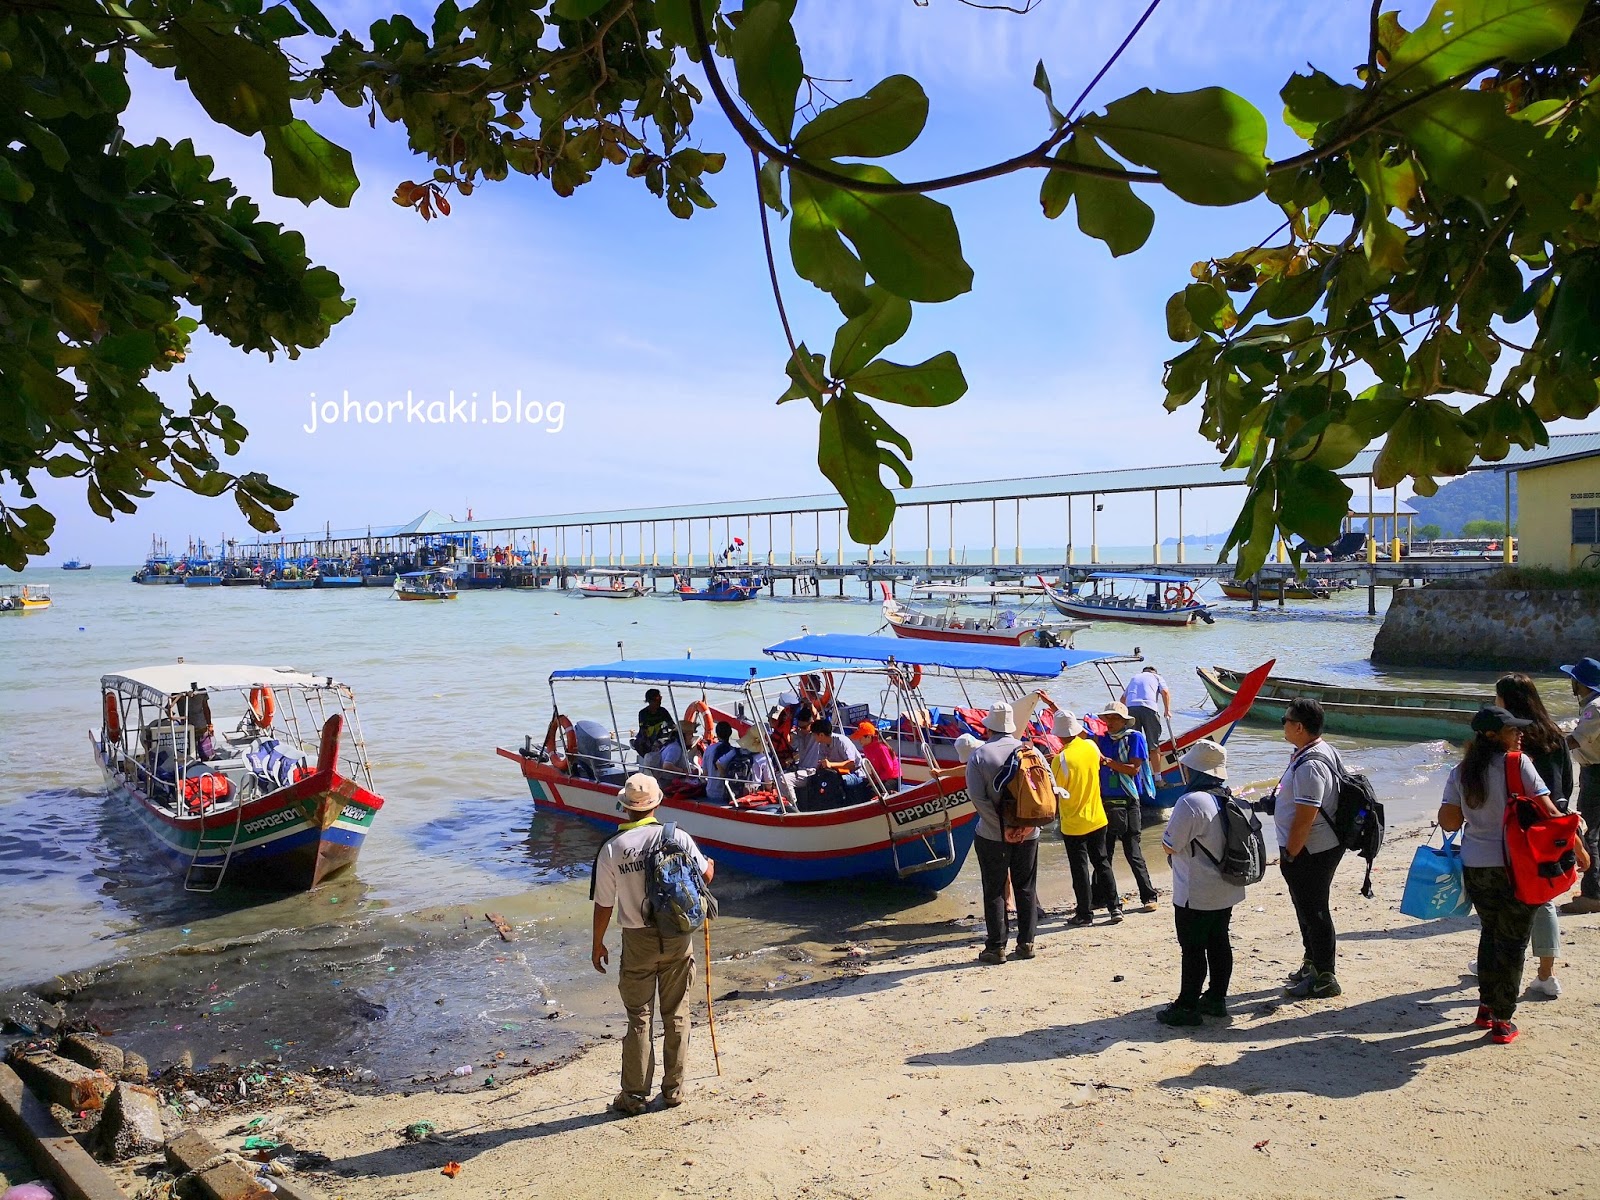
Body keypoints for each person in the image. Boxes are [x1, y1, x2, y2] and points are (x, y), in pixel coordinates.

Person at [1439, 708, 1570, 1044]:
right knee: (1512, 942)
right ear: (1494, 735)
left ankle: (1485, 1007)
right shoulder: (1518, 764)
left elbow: (1450, 822)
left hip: (1475, 865)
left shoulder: (1461, 771)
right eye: (1512, 730)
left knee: (1491, 932)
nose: (1519, 735)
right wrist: (1576, 845)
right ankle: (1502, 1019)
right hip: (1517, 866)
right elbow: (1549, 810)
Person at [591, 774, 715, 1113]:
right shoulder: (678, 836)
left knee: (639, 1016)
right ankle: (673, 1090)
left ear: (624, 807)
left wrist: (597, 943)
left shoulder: (613, 848)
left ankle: (633, 1096)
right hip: (677, 935)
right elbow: (705, 876)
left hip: (637, 940)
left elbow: (604, 903)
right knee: (676, 1012)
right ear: (657, 804)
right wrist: (711, 868)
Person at [1493, 674, 1573, 994]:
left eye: (1497, 697)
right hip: (1551, 826)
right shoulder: (1555, 733)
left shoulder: (1514, 739)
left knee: (1508, 898)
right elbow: (1566, 782)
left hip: (1519, 828)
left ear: (1507, 701)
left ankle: (1499, 962)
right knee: (1544, 898)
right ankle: (1546, 974)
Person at [1158, 739, 1241, 1026]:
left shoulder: (1191, 802)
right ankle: (1217, 999)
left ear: (1194, 770)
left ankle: (1187, 1006)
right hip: (1227, 884)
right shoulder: (1227, 796)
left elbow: (1170, 844)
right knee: (1219, 941)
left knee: (1192, 947)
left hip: (1195, 888)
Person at [1275, 697, 1346, 999]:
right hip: (1316, 845)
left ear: (1299, 727)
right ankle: (1311, 964)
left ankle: (1325, 976)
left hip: (1313, 849)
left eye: (1286, 720)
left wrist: (1291, 852)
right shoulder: (1317, 750)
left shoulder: (1311, 765)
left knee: (1314, 909)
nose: (1284, 725)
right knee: (1305, 905)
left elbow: (1306, 816)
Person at [965, 702, 1038, 963]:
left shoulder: (980, 756)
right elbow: (1048, 793)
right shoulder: (1032, 751)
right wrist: (1026, 827)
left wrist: (1003, 829)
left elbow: (978, 798)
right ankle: (1027, 943)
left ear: (988, 728)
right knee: (1026, 887)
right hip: (1029, 834)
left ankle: (996, 947)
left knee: (994, 888)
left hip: (991, 834)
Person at [1051, 710, 1120, 926]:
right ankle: (1114, 907)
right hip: (1097, 816)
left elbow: (1057, 791)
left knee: (1079, 868)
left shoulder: (1059, 759)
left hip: (1073, 822)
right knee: (1102, 862)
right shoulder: (1091, 746)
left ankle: (1085, 913)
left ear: (1059, 735)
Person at [1095, 702, 1159, 911]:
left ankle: (1149, 897)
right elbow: (1076, 736)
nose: (1110, 722)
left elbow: (1133, 769)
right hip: (1105, 802)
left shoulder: (1135, 738)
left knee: (1133, 851)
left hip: (1128, 802)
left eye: (1114, 718)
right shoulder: (1102, 739)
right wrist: (1051, 705)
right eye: (1108, 718)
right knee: (1104, 853)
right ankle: (1099, 898)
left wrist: (1107, 762)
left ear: (1124, 720)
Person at [1562, 656, 1600, 913]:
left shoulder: (1594, 708)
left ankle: (1593, 894)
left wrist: (1547, 749)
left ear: (1580, 683)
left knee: (1589, 834)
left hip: (1596, 774)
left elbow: (1575, 741)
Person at [1121, 666, 1172, 765]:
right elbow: (1165, 692)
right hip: (1149, 708)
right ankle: (1158, 777)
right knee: (1153, 745)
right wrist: (1167, 710)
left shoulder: (1135, 677)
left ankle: (1136, 772)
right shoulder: (1157, 677)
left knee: (1134, 742)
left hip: (1131, 708)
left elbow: (1123, 699)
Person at [852, 721, 902, 792]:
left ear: (868, 737)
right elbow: (874, 768)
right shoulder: (867, 748)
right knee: (860, 788)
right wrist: (872, 779)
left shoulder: (882, 748)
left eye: (860, 738)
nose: (859, 741)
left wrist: (875, 781)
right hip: (880, 777)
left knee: (873, 791)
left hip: (894, 778)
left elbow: (889, 771)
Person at [635, 689, 675, 769]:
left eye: (660, 699)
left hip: (660, 736)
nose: (659, 702)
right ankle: (648, 764)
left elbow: (672, 725)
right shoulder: (643, 713)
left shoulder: (663, 711)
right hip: (646, 737)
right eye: (657, 700)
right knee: (639, 743)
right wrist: (652, 744)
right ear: (650, 701)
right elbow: (644, 731)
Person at [702, 721, 736, 803]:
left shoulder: (709, 749)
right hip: (726, 793)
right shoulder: (733, 751)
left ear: (717, 734)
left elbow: (705, 773)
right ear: (730, 734)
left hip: (710, 791)